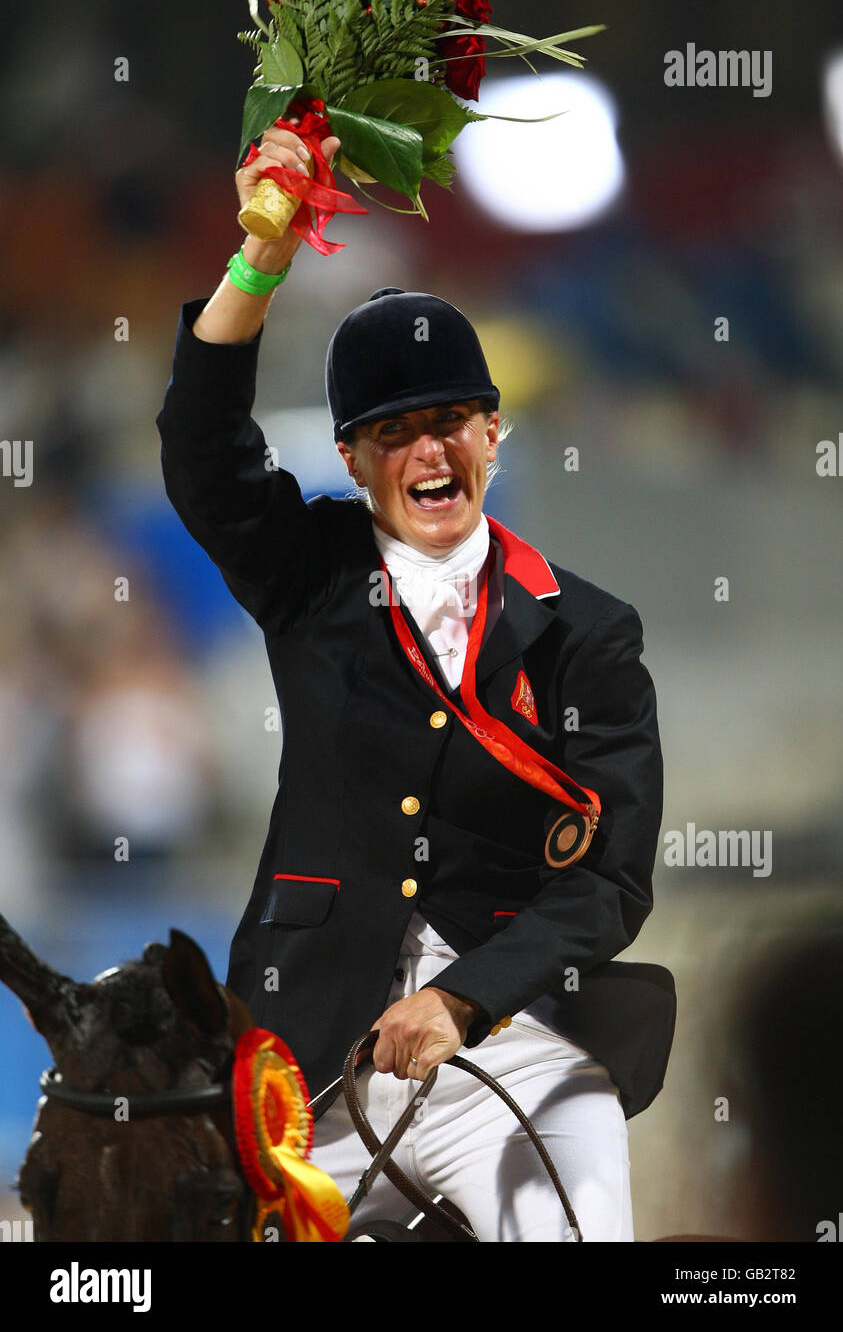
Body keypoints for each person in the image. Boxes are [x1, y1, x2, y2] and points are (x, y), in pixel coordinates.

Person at [156, 118, 674, 1242]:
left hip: (514, 1051)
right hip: (300, 1054)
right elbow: (200, 445)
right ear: (348, 458)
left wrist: (463, 996)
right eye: (394, 433)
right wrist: (261, 258)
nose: (428, 454)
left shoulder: (587, 631)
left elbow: (612, 880)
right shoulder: (309, 572)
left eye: (449, 422)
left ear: (494, 431)